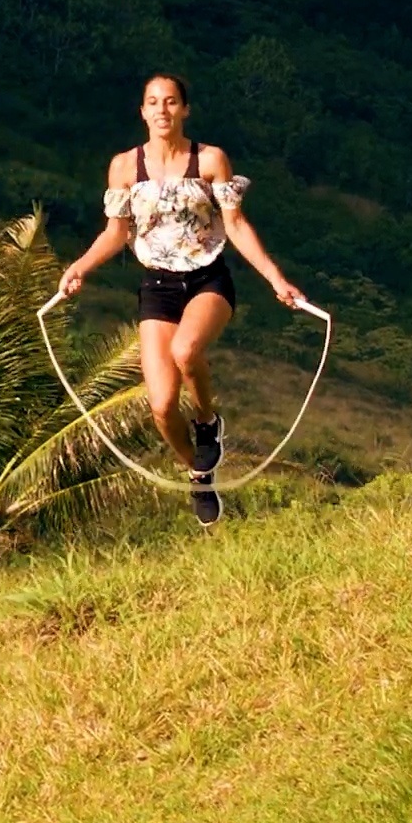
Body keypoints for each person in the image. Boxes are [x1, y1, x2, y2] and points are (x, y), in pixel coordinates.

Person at [57, 73, 302, 525]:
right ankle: (196, 472)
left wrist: (276, 279)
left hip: (208, 279)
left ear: (185, 110)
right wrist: (80, 268)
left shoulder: (209, 161)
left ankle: (208, 422)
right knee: (162, 406)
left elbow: (237, 225)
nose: (163, 110)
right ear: (143, 111)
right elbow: (115, 234)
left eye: (171, 102)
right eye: (154, 102)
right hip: (157, 286)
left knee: (186, 350)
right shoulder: (125, 167)